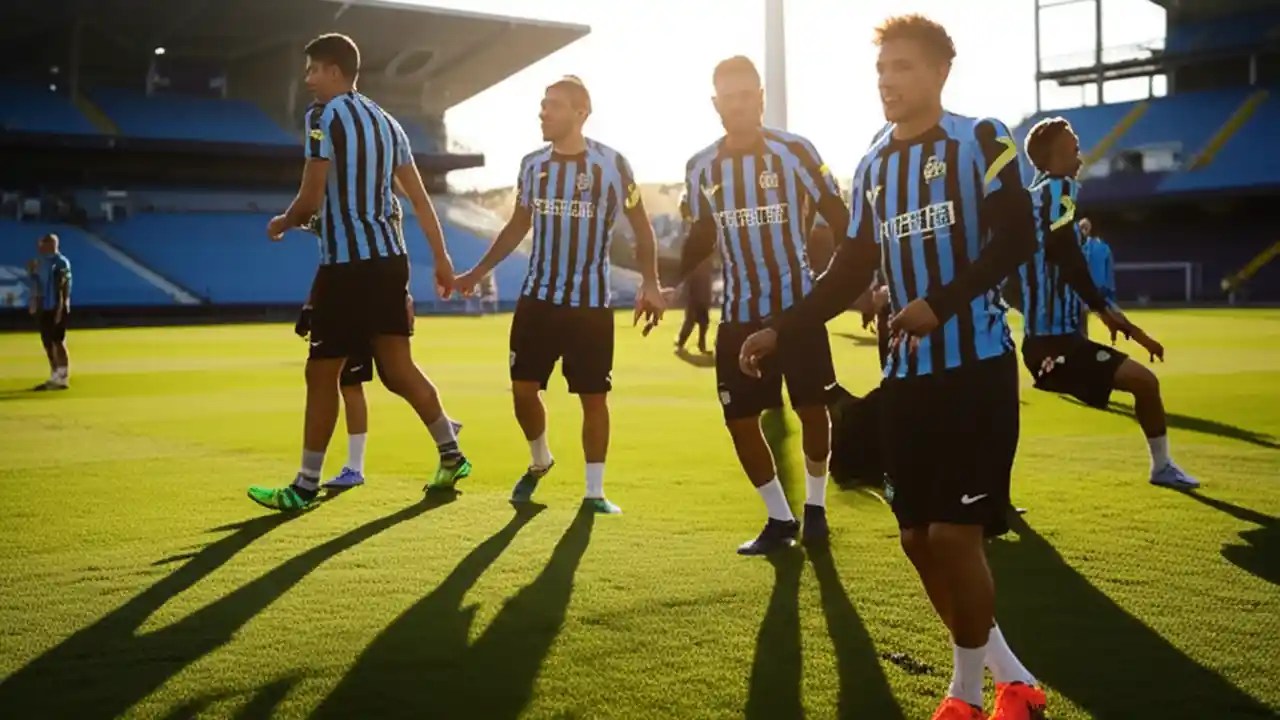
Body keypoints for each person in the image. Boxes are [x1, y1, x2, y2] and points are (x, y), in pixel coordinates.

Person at [737, 16, 1142, 718]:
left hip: (977, 369)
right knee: (917, 538)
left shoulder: (980, 137)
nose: (889, 81)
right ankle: (1012, 677)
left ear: (939, 74)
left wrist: (941, 303)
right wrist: (783, 326)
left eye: (904, 68)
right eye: (882, 70)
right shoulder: (870, 163)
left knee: (956, 535)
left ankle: (965, 694)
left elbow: (1017, 237)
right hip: (908, 381)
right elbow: (850, 267)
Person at [247, 33, 468, 512]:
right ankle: (451, 453)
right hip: (391, 259)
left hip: (347, 265)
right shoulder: (390, 124)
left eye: (312, 70)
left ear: (333, 70)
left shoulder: (321, 118)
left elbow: (309, 200)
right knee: (398, 367)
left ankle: (305, 486)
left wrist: (283, 223)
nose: (307, 80)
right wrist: (443, 257)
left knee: (321, 372)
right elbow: (420, 198)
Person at [454, 75, 665, 514]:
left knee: (594, 397)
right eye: (542, 104)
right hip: (538, 298)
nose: (543, 112)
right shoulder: (532, 165)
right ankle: (540, 458)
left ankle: (594, 492)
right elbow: (517, 225)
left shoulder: (612, 165)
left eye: (553, 105)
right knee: (522, 390)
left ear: (580, 112)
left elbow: (642, 229)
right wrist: (477, 272)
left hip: (589, 304)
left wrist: (650, 282)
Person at [676, 56, 848, 554]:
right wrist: (669, 284)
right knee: (739, 421)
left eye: (747, 94)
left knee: (813, 410)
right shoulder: (700, 166)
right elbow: (702, 233)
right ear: (715, 104)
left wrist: (848, 280)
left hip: (798, 309)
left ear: (761, 97)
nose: (738, 104)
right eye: (728, 97)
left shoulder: (796, 151)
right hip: (739, 314)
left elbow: (840, 218)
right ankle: (779, 517)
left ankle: (814, 506)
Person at [1010, 117, 1199, 490]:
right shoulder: (1060, 190)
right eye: (1072, 149)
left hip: (1057, 342)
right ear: (1049, 157)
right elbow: (1066, 255)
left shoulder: (1035, 201)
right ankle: (1161, 467)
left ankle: (1162, 467)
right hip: (1054, 345)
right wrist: (1107, 314)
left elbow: (1032, 270)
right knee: (1145, 383)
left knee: (1145, 384)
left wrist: (1122, 324)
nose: (1079, 157)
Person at [28, 234, 71, 391]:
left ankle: (63, 376)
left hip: (55, 306)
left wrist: (61, 306)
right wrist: (34, 301)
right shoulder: (42, 263)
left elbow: (62, 287)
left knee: (58, 340)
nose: (40, 247)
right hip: (44, 306)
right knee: (47, 342)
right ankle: (54, 373)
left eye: (43, 244)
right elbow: (37, 284)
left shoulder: (61, 262)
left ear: (51, 244)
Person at [672, 192, 713, 354]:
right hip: (698, 275)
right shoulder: (698, 228)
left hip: (698, 274)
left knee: (698, 311)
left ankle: (690, 342)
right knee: (696, 311)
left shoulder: (699, 228)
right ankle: (684, 342)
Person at [1077, 217, 1115, 337]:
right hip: (1086, 289)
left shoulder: (1098, 247)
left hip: (1086, 289)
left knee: (1081, 318)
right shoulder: (1101, 247)